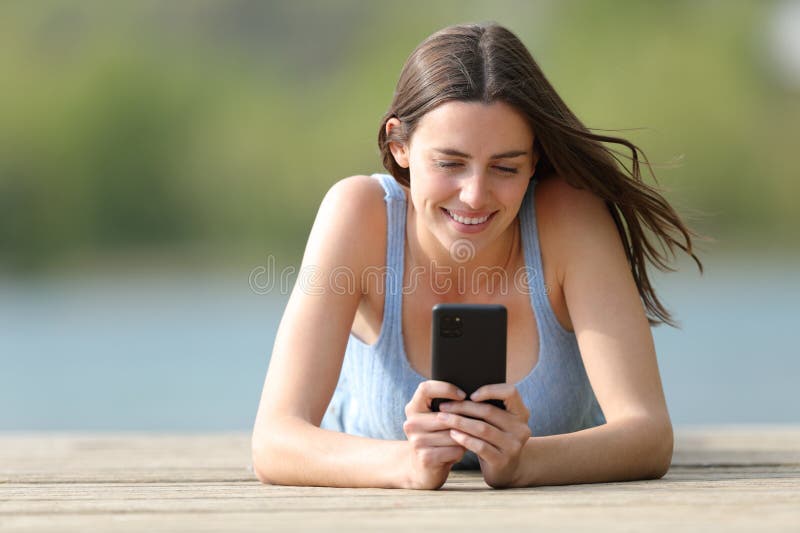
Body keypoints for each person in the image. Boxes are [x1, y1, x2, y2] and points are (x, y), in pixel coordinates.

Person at [251, 21, 703, 490]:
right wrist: (408, 466)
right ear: (399, 145)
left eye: (505, 167)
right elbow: (274, 440)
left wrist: (523, 462)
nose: (474, 195)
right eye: (450, 163)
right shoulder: (359, 213)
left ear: (534, 161)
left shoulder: (569, 217)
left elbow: (648, 434)